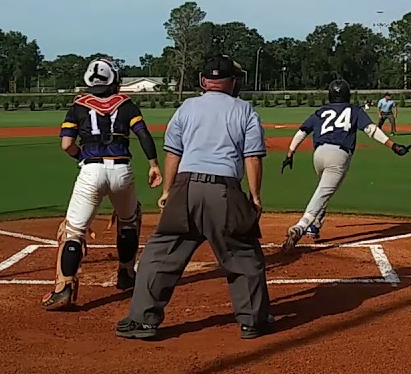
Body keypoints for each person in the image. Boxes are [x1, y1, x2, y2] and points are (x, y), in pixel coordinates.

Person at [116, 55, 272, 341]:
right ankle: (253, 321)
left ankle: (142, 320)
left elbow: (173, 151)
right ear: (233, 82)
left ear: (203, 81)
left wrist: (167, 191)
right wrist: (255, 196)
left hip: (186, 188)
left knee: (160, 252)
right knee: (242, 252)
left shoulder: (186, 107)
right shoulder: (245, 110)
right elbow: (252, 158)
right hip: (224, 191)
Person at [42, 58, 162, 310]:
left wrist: (82, 157)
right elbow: (143, 135)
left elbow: (66, 145)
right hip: (121, 170)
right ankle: (127, 274)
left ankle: (63, 289)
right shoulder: (126, 104)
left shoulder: (78, 105)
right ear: (114, 81)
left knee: (73, 231)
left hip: (91, 170)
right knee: (129, 220)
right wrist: (153, 165)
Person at [280, 79, 407, 248]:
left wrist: (290, 153)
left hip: (318, 155)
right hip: (338, 156)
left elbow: (302, 132)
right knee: (324, 192)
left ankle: (315, 226)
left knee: (324, 189)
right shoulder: (354, 110)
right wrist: (393, 146)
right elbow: (371, 130)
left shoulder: (321, 111)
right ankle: (301, 226)